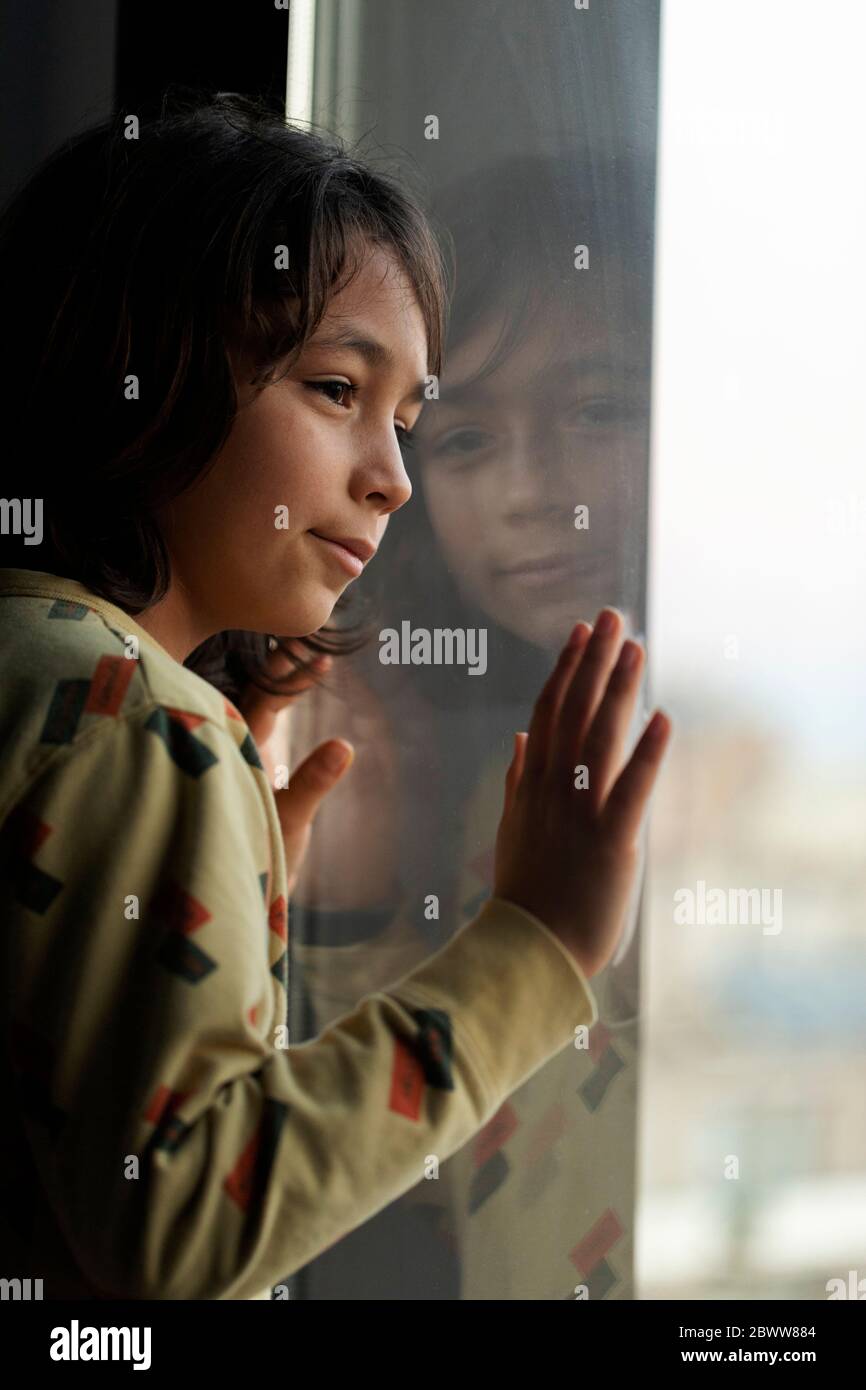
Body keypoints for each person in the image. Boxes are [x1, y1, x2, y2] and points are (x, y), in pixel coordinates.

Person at [0, 90, 671, 1300]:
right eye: (333, 389)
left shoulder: (37, 662)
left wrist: (232, 900)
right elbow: (177, 1231)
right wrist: (535, 944)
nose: (392, 479)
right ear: (136, 365)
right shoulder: (144, 722)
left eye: (408, 423)